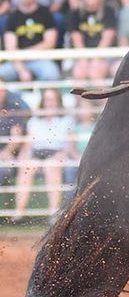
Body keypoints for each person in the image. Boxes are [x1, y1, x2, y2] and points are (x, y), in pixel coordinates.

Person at [11, 87, 75, 222]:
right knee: (26, 168)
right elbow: (27, 146)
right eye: (47, 100)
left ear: (58, 101)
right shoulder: (34, 121)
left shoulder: (66, 120)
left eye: (52, 100)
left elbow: (69, 147)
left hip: (57, 155)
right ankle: (19, 212)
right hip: (37, 154)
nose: (49, 103)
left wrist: (63, 154)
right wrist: (23, 157)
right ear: (43, 102)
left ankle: (53, 212)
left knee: (51, 166)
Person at [0, 0, 60, 82]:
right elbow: (11, 47)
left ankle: (46, 98)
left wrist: (26, 53)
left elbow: (50, 43)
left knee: (51, 73)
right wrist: (22, 70)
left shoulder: (45, 13)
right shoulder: (12, 17)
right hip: (17, 61)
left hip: (41, 59)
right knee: (2, 73)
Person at [66, 0, 117, 83]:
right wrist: (84, 60)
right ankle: (83, 100)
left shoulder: (109, 12)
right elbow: (77, 40)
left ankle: (102, 99)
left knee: (96, 73)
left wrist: (95, 60)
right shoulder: (75, 14)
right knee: (79, 73)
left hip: (104, 55)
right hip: (81, 55)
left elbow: (107, 38)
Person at [0, 80, 30, 202]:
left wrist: (6, 152)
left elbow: (16, 136)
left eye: (2, 90)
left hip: (7, 156)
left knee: (2, 170)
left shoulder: (13, 107)